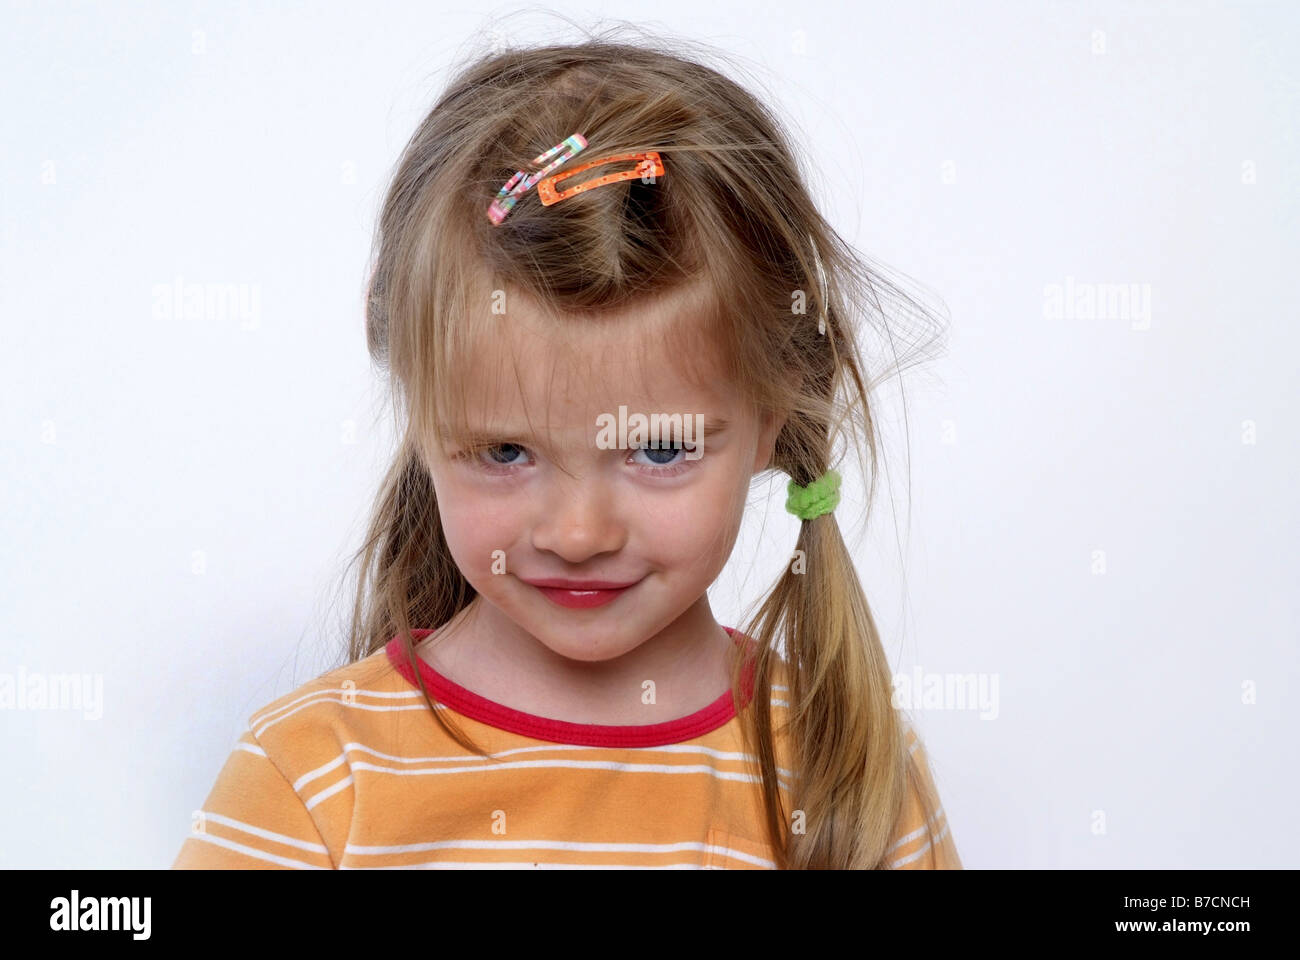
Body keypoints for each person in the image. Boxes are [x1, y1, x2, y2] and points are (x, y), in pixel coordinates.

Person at [173, 33, 960, 870]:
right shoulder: (313, 780)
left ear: (776, 412)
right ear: (422, 414)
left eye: (658, 450)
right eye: (505, 451)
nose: (579, 533)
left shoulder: (848, 780)